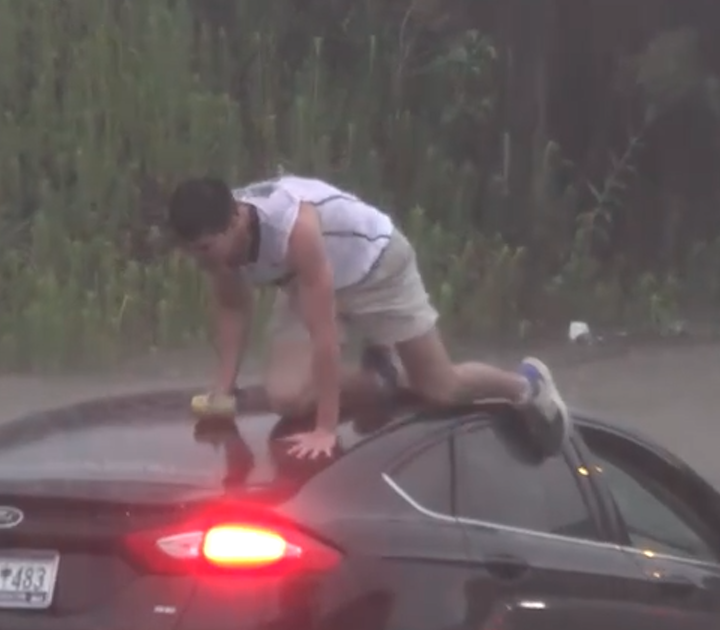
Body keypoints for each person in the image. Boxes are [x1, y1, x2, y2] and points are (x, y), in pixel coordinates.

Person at [165, 175, 571, 459]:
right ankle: (382, 376)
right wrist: (223, 388)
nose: (202, 259)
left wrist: (326, 428)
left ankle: (525, 385)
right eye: (192, 250)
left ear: (235, 218)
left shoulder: (293, 227)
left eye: (205, 248)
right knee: (287, 398)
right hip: (302, 279)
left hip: (376, 265)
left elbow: (325, 337)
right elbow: (234, 308)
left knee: (441, 387)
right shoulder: (217, 243)